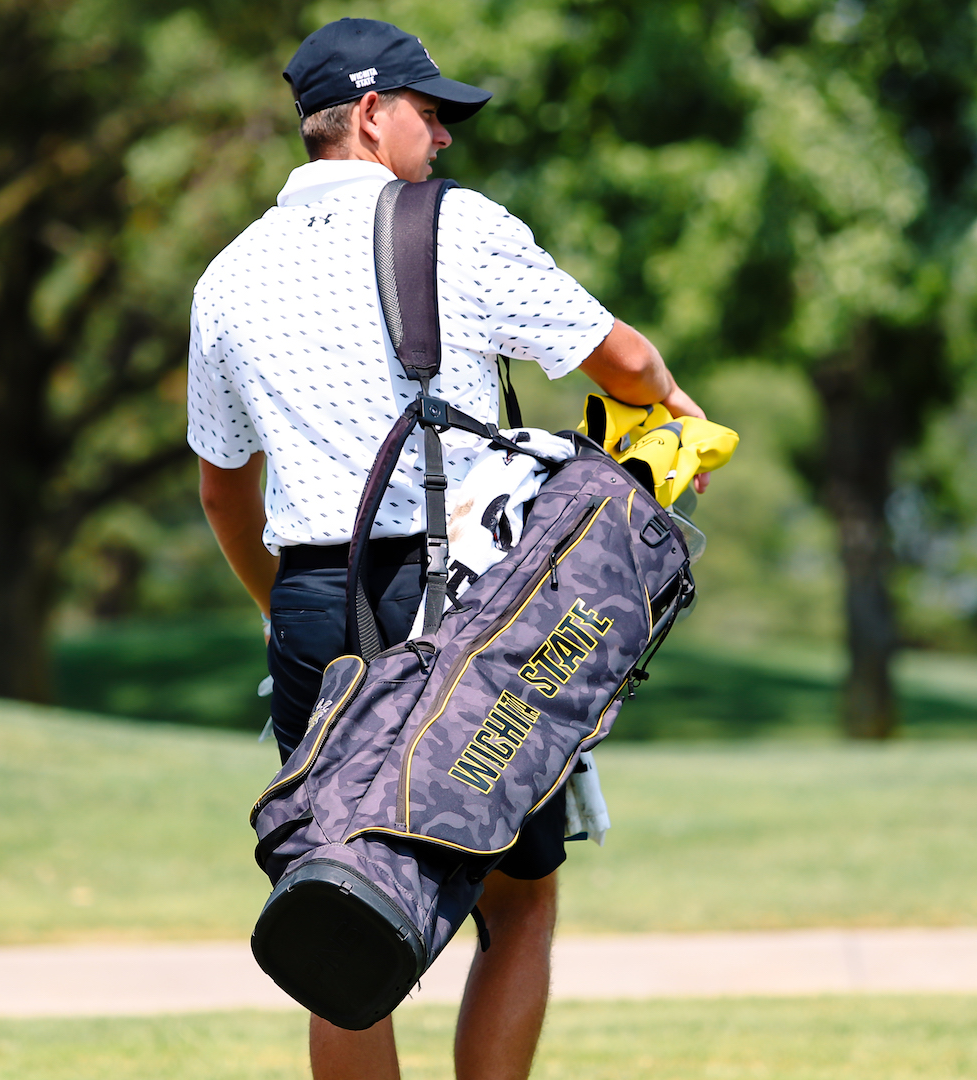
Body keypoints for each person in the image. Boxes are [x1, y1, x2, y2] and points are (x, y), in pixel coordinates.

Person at [186, 18, 706, 1080]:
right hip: (470, 606)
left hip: (315, 607)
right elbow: (620, 358)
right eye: (431, 113)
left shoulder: (226, 277)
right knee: (519, 902)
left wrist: (283, 608)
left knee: (341, 914)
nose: (447, 137)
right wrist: (674, 402)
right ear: (372, 114)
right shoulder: (455, 226)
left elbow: (222, 489)